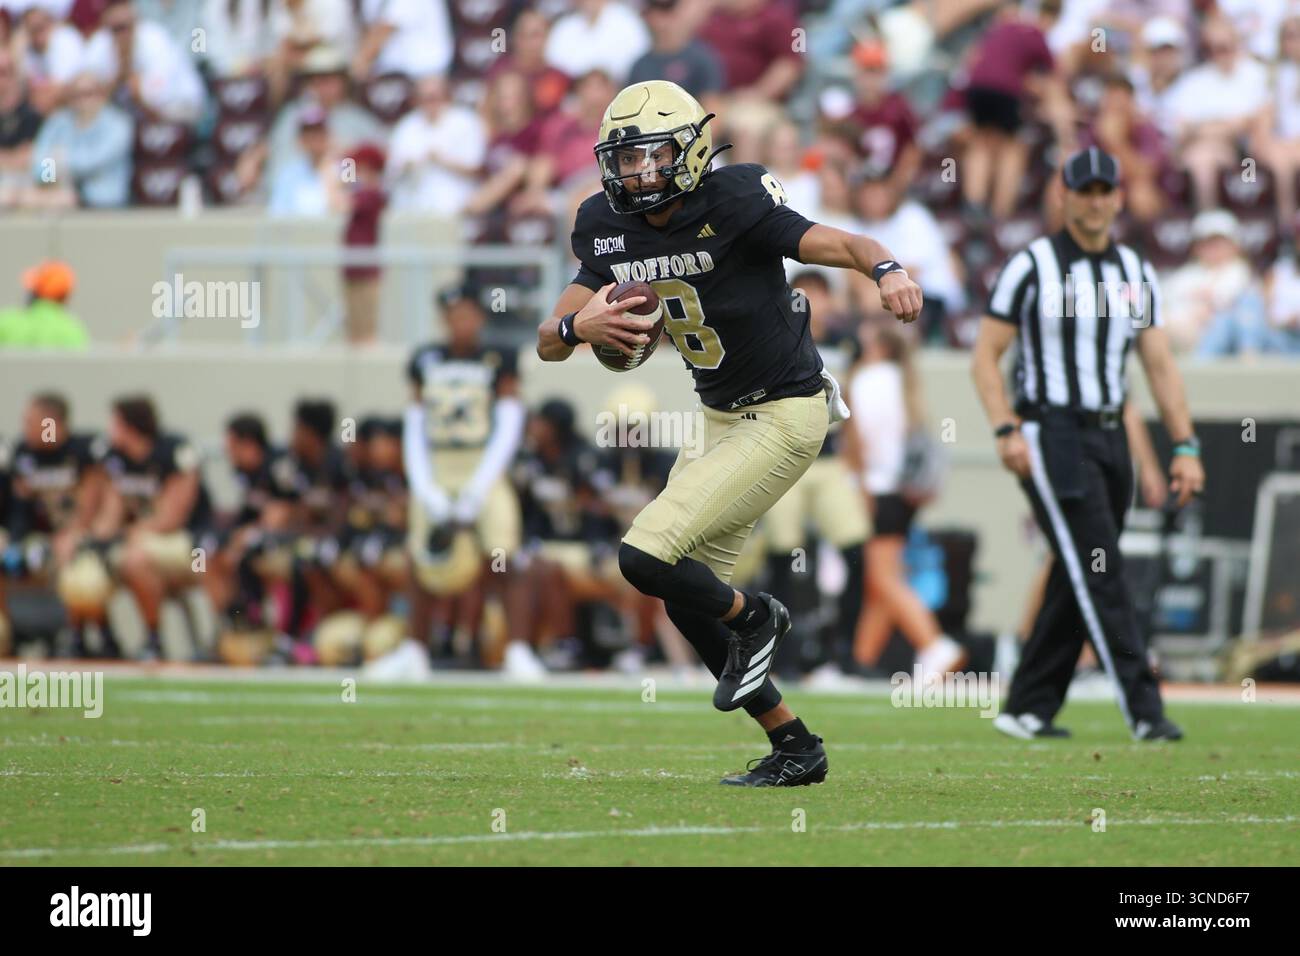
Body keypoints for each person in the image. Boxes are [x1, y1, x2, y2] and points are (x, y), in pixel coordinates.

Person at [537, 80, 923, 787]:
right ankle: (795, 746)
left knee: (643, 556)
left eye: (652, 157)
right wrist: (577, 327)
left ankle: (759, 615)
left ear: (688, 153)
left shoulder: (736, 199)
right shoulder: (603, 224)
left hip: (784, 410)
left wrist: (885, 266)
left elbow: (836, 241)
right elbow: (547, 341)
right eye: (624, 161)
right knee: (685, 596)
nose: (637, 174)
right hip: (716, 416)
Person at [971, 146, 1205, 741]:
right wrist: (1005, 427)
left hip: (1111, 432)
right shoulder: (1033, 265)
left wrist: (1184, 445)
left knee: (1080, 567)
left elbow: (1160, 367)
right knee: (1102, 568)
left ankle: (1026, 707)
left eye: (1106, 190)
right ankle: (1145, 710)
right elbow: (984, 357)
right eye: (1085, 190)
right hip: (1053, 432)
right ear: (1063, 195)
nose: (1096, 200)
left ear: (1119, 197)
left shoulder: (1135, 270)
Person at [404, 285, 525, 669]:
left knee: (502, 554)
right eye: (454, 314)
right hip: (439, 464)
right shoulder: (425, 359)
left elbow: (509, 422)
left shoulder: (498, 358)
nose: (461, 322)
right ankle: (415, 648)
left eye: (467, 313)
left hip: (482, 465)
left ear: (480, 316)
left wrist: (481, 483)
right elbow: (415, 424)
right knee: (420, 555)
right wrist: (423, 486)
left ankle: (517, 648)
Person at [847, 320, 965, 677]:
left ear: (880, 346)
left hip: (880, 488)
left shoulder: (865, 380)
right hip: (902, 492)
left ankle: (934, 644)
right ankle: (861, 662)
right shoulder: (903, 380)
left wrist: (861, 487)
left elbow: (861, 441)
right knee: (878, 580)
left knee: (884, 579)